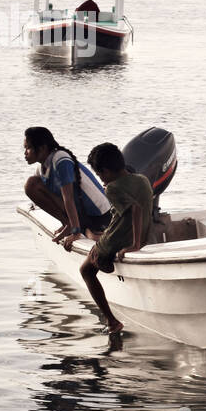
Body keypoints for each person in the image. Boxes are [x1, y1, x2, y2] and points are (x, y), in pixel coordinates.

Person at [79, 143, 154, 334]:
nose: (101, 180)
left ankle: (112, 321)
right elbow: (139, 209)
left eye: (99, 175)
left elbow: (135, 209)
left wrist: (134, 245)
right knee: (96, 234)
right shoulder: (142, 179)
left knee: (86, 271)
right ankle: (94, 238)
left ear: (105, 171)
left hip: (120, 240)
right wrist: (138, 240)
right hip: (141, 234)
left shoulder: (112, 188)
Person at [22, 127, 111, 249]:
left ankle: (77, 227)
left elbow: (67, 197)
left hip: (99, 216)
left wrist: (75, 232)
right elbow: (49, 198)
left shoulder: (60, 159)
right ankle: (69, 223)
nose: (25, 153)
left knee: (92, 236)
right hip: (82, 215)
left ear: (42, 148)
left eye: (28, 148)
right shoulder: (41, 169)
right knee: (31, 185)